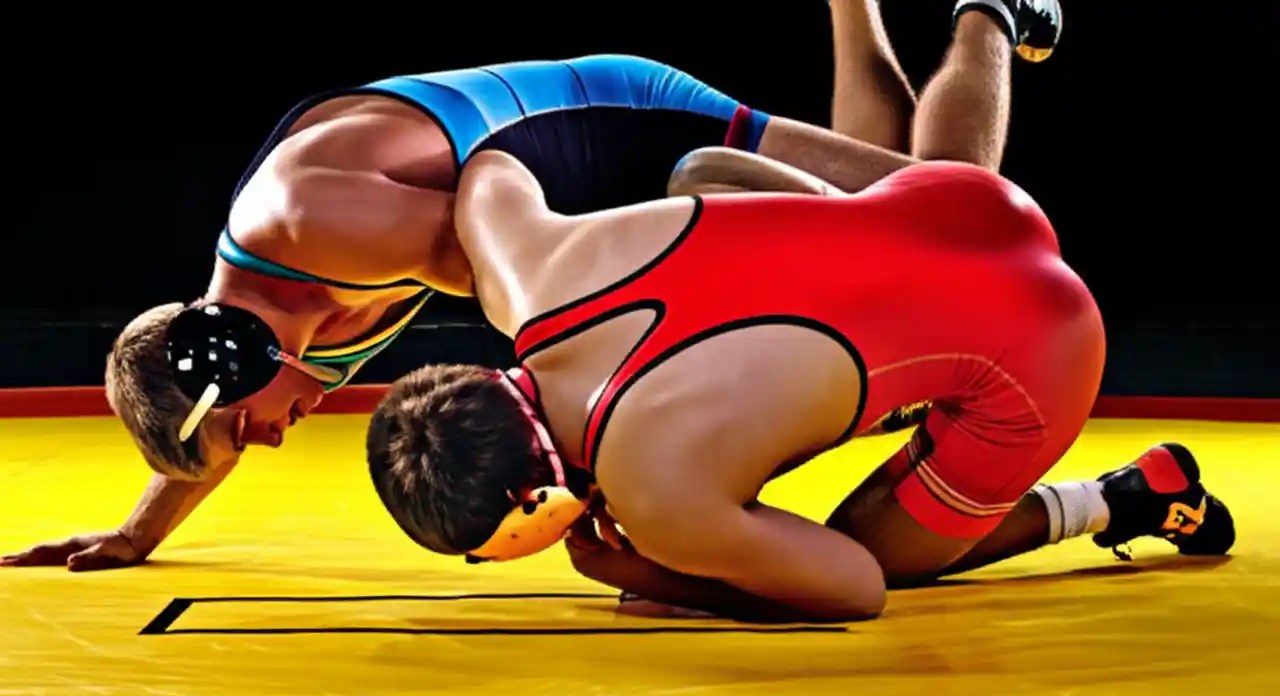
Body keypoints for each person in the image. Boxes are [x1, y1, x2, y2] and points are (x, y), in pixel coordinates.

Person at [3, 0, 1063, 572]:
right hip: (567, 174)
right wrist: (139, 530)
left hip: (608, 126)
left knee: (943, 215)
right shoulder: (269, 328)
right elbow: (219, 418)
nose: (277, 438)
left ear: (233, 359)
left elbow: (536, 255)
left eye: (251, 429)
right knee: (883, 221)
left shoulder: (306, 225)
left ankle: (987, 15)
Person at [360, 55, 1236, 625]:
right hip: (957, 206)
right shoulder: (525, 275)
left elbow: (852, 588)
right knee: (698, 172)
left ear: (530, 506)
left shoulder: (656, 498)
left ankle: (1125, 498)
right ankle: (964, 21)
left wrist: (661, 577)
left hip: (1043, 341)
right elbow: (490, 168)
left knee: (883, 550)